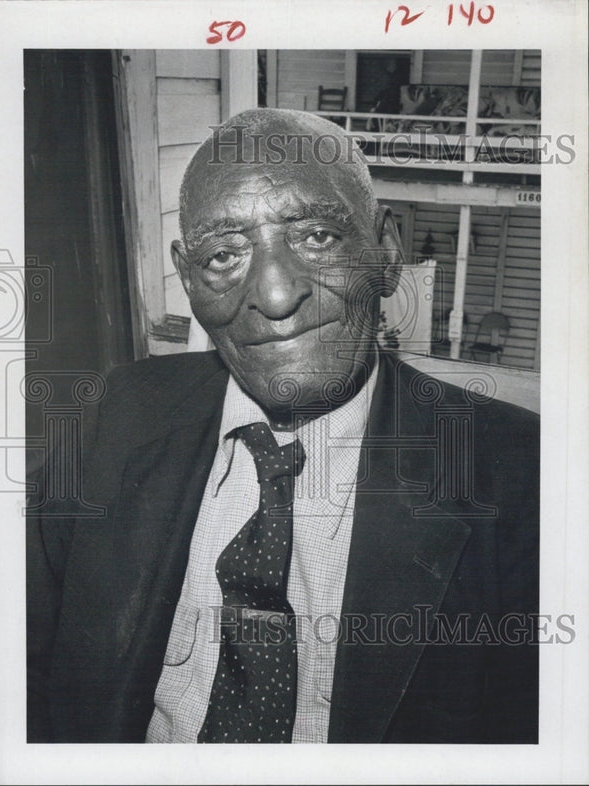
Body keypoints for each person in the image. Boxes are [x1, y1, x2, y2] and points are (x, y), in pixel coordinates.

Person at [27, 108, 539, 744]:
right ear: (187, 277)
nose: (273, 295)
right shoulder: (115, 414)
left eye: (316, 238)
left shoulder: (524, 477)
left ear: (386, 249)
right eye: (223, 255)